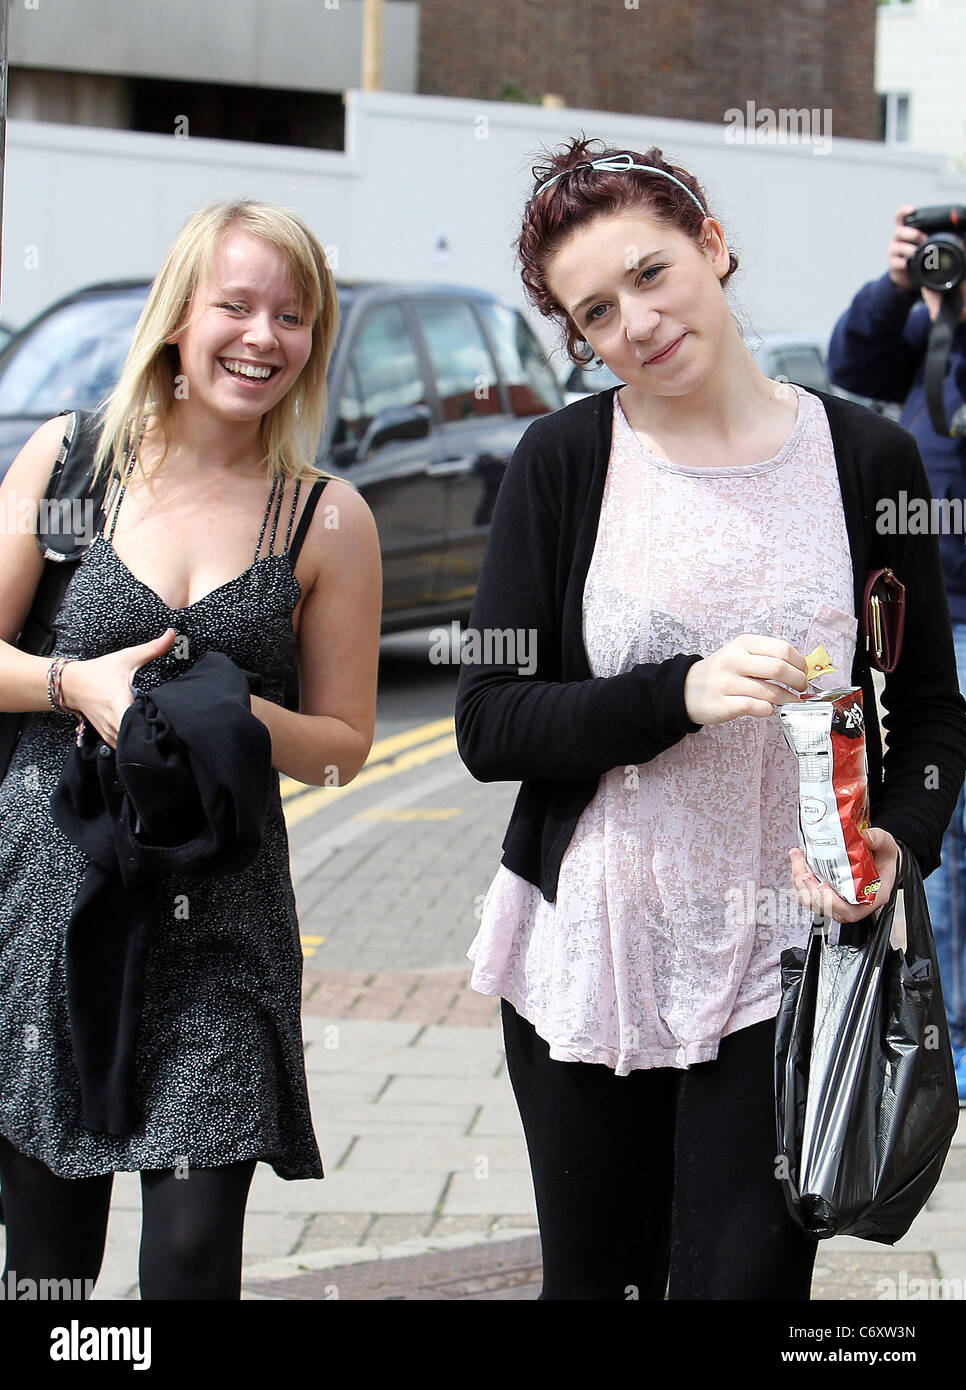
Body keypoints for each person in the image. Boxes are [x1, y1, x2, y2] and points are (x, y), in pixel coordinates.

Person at [454, 137, 966, 1301]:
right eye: (594, 310)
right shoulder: (565, 459)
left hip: (785, 959)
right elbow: (488, 723)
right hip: (595, 950)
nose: (633, 320)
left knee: (746, 1286)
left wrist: (903, 841)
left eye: (650, 273)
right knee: (601, 1287)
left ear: (713, 247)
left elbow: (932, 711)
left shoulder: (865, 455)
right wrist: (673, 694)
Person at [0, 199, 382, 1299]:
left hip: (219, 919)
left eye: (295, 315)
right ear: (179, 315)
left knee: (192, 1254)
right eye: (238, 305)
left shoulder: (327, 518)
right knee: (48, 1270)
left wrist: (216, 708)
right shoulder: (72, 462)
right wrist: (78, 683)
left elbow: (343, 749)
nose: (265, 336)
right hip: (48, 905)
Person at [827, 207, 966, 1096]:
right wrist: (901, 286)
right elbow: (850, 364)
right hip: (929, 616)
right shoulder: (927, 326)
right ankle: (945, 1036)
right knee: (938, 834)